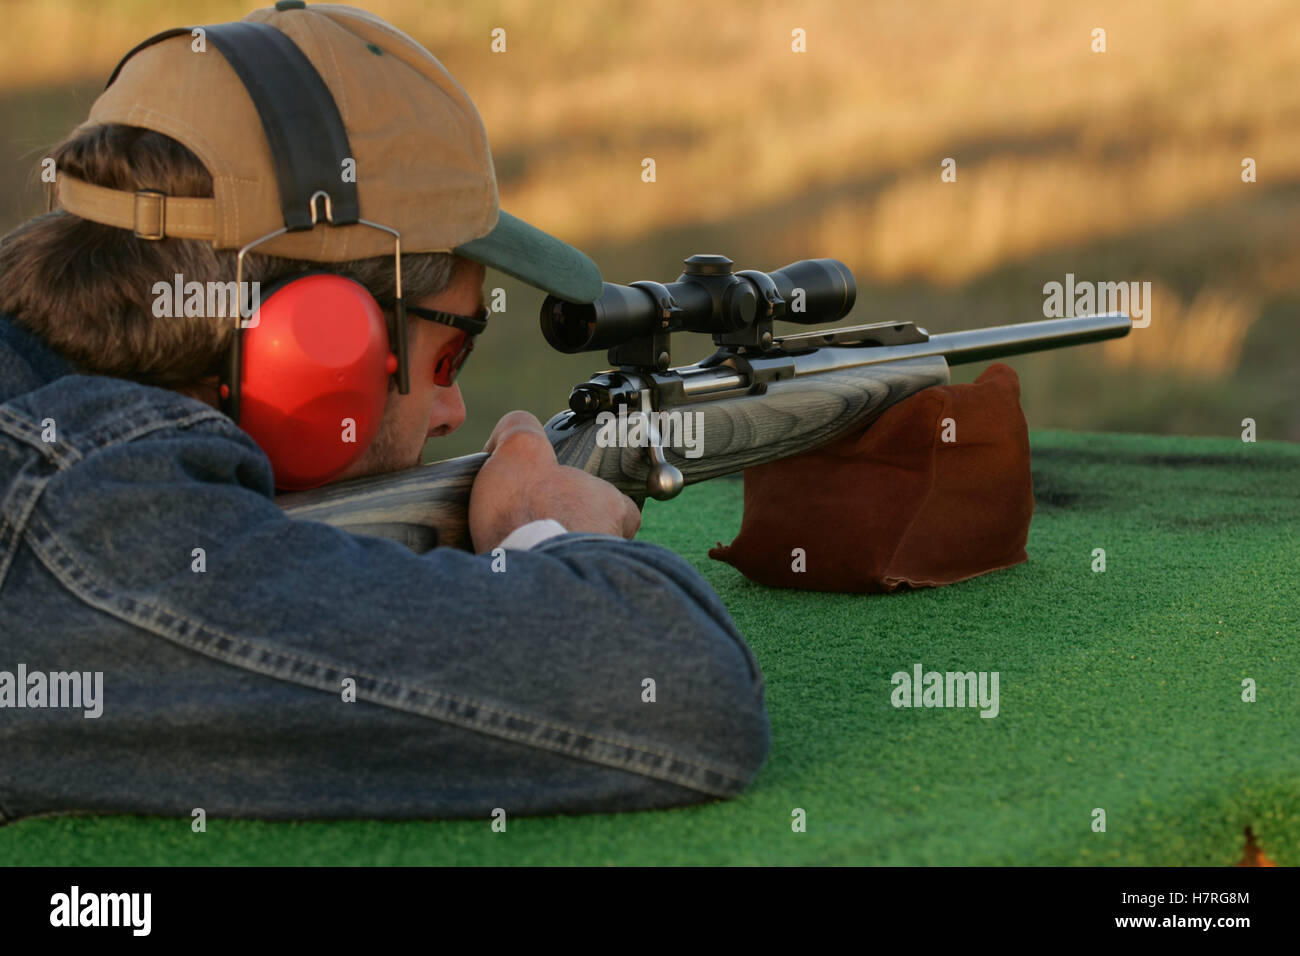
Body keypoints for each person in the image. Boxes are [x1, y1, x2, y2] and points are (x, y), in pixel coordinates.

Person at [0, 3, 768, 823]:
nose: (453, 408)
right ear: (317, 343)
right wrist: (548, 529)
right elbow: (677, 690)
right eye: (449, 355)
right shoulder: (92, 526)